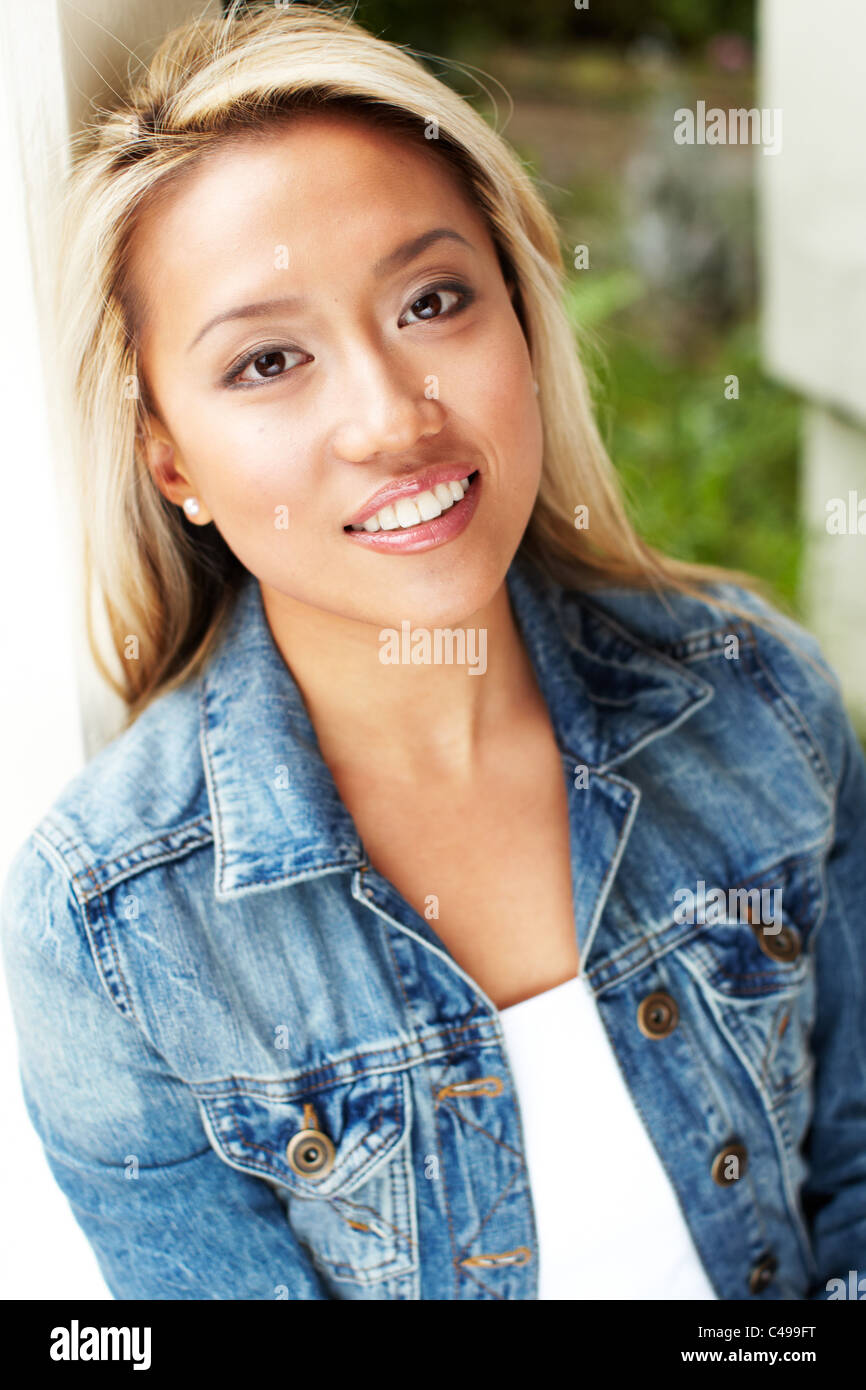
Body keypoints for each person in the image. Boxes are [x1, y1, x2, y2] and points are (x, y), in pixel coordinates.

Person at [2, 0, 864, 1301]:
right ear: (169, 455)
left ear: (517, 319)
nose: (389, 416)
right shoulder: (114, 923)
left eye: (432, 299)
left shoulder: (756, 699)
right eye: (268, 359)